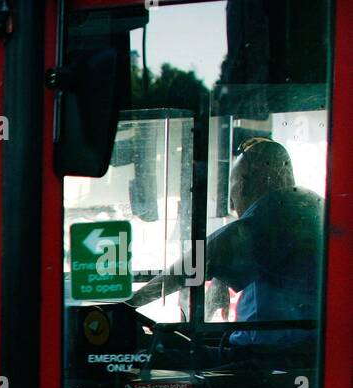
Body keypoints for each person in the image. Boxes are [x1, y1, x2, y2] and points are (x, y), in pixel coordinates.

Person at [131, 136, 323, 357]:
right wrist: (222, 280)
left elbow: (200, 259)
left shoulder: (275, 212)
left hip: (268, 357)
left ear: (245, 183)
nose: (231, 204)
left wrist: (132, 303)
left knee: (152, 359)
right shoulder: (308, 205)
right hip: (293, 350)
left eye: (233, 186)